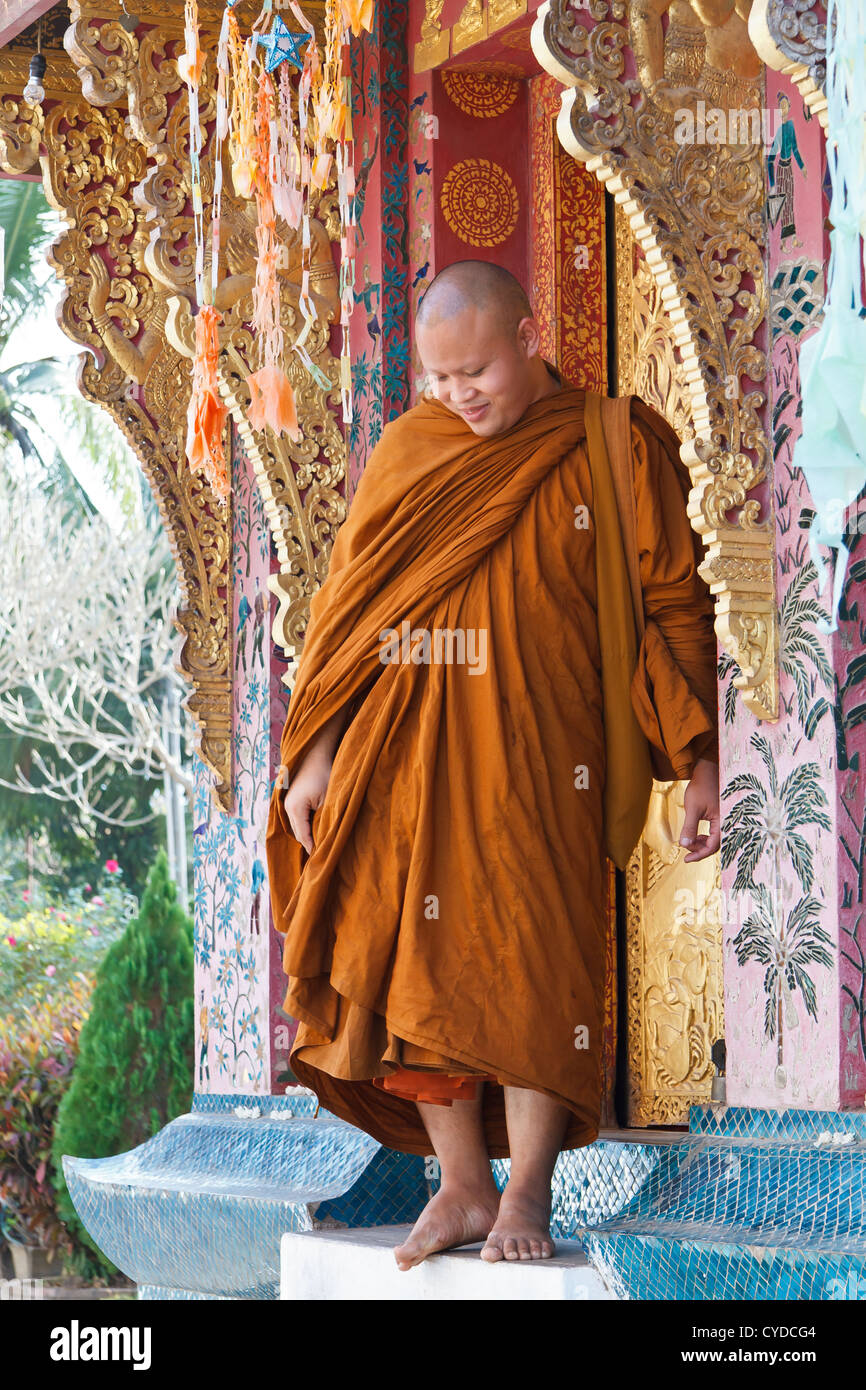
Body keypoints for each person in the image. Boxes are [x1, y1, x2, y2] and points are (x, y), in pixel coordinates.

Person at [265, 259, 720, 1270]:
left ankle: (525, 1189)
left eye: (474, 370)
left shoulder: (608, 440)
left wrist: (698, 760)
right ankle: (461, 1184)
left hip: (546, 752)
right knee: (416, 955)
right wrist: (318, 753)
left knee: (530, 954)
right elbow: (345, 616)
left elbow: (672, 600)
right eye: (438, 378)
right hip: (405, 746)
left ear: (526, 336)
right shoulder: (409, 450)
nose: (457, 395)